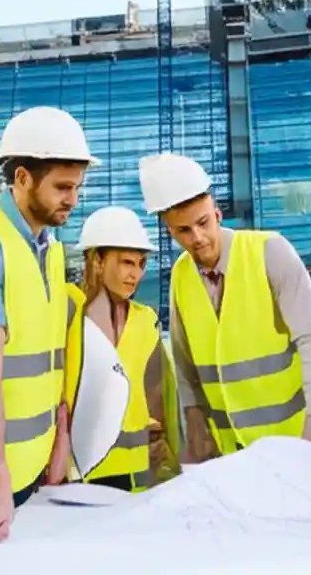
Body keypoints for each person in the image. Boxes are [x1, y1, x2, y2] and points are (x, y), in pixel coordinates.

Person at [0, 106, 97, 559]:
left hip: (26, 476)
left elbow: (49, 358)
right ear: (23, 178)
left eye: (77, 187)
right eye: (63, 188)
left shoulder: (50, 248)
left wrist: (58, 439)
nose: (73, 199)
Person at [137, 153, 311, 463]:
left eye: (203, 222)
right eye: (183, 230)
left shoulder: (270, 252)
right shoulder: (181, 276)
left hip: (303, 434)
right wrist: (195, 423)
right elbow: (185, 363)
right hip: (235, 451)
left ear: (217, 213)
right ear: (169, 230)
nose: (197, 238)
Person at [62, 205, 182, 491]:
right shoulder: (65, 309)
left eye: (141, 264)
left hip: (136, 475)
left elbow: (158, 397)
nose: (136, 274)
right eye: (127, 262)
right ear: (97, 260)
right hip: (78, 474)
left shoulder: (145, 320)